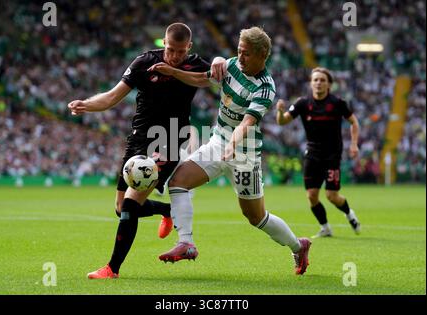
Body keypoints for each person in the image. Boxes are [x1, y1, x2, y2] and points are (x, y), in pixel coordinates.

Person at [149, 26, 312, 275]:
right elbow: (203, 79)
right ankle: (186, 243)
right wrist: (172, 71)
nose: (240, 57)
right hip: (217, 143)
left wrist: (233, 145)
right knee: (178, 182)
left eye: (246, 53)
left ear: (262, 55)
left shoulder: (265, 87)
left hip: (244, 156)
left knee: (255, 217)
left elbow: (248, 122)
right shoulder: (233, 65)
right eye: (238, 51)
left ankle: (297, 246)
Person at [68, 23, 211, 279]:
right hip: (139, 139)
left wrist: (172, 71)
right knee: (120, 207)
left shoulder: (196, 66)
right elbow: (113, 96)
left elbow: (207, 80)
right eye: (170, 49)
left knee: (131, 204)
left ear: (189, 47)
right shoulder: (144, 62)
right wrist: (86, 105)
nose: (175, 55)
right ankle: (166, 210)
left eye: (180, 51)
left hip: (168, 139)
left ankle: (112, 268)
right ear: (163, 43)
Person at [276, 67, 361, 238]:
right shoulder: (302, 103)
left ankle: (349, 214)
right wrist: (279, 111)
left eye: (322, 80)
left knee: (331, 196)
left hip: (332, 155)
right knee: (312, 195)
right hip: (312, 154)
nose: (318, 83)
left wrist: (354, 144)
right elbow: (282, 121)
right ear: (311, 83)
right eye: (315, 80)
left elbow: (354, 122)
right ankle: (325, 228)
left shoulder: (337, 103)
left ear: (329, 84)